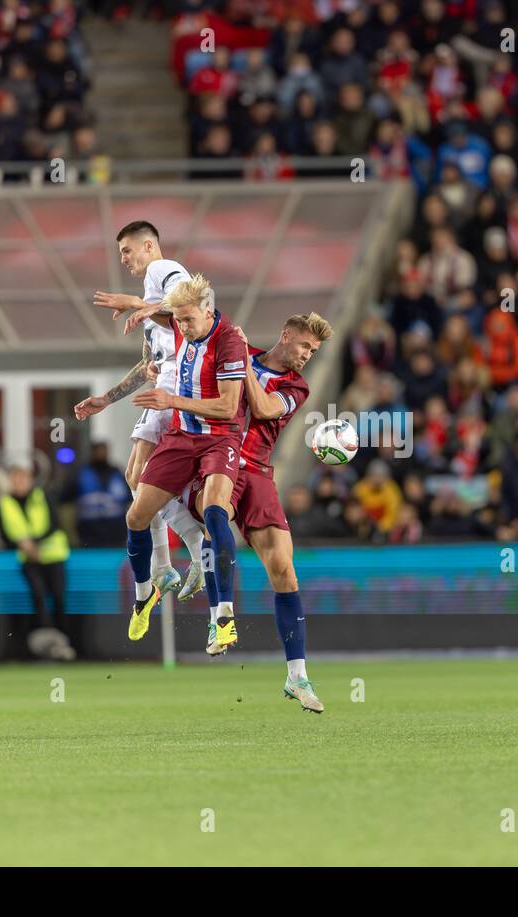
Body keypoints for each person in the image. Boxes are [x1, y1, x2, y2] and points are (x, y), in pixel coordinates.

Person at [90, 274, 246, 652]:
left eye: (189, 320)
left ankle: (222, 617)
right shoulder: (181, 322)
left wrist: (171, 401)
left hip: (219, 438)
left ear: (208, 311)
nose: (183, 327)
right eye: (178, 320)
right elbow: (159, 315)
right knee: (135, 516)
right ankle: (145, 593)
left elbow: (227, 407)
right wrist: (133, 303)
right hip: (182, 437)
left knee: (213, 513)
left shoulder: (228, 342)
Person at [186, 313, 332, 710]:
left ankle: (297, 677)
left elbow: (266, 408)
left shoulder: (296, 386)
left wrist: (242, 365)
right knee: (217, 521)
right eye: (304, 346)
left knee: (284, 570)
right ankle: (221, 616)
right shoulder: (240, 353)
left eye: (314, 351)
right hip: (220, 460)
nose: (307, 355)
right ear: (286, 335)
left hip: (259, 473)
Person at [76, 221, 210, 613]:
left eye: (127, 250)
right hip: (170, 381)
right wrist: (107, 398)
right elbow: (149, 363)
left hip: (179, 387)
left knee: (140, 476)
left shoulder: (162, 270)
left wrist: (138, 305)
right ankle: (169, 562)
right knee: (138, 477)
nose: (124, 259)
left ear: (149, 245)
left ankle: (191, 548)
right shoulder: (153, 298)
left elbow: (192, 302)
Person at [0, 462, 74, 659]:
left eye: (22, 478)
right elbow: (5, 535)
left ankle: (66, 640)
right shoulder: (4, 503)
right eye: (15, 479)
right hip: (29, 560)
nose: (19, 483)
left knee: (58, 596)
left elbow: (54, 524)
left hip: (54, 556)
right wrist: (23, 546)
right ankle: (47, 644)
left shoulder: (43, 496)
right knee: (38, 596)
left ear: (30, 480)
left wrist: (33, 543)